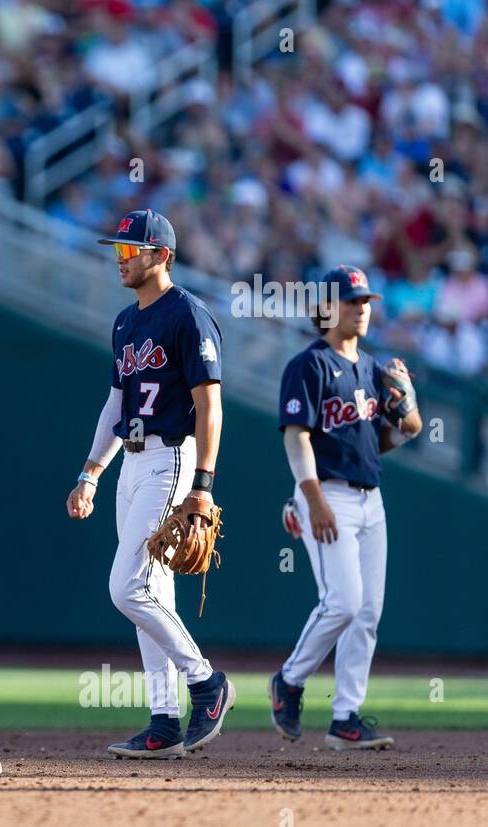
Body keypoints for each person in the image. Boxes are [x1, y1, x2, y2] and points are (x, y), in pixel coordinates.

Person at [67, 209, 235, 759]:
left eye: (128, 250)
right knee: (151, 593)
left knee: (126, 587)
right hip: (131, 463)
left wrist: (203, 485)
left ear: (160, 254)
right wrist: (92, 471)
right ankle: (164, 719)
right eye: (116, 249)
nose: (119, 258)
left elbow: (210, 403)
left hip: (170, 458)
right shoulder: (124, 322)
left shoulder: (187, 314)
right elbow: (116, 403)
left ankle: (206, 683)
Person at [272, 265, 422, 750]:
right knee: (343, 602)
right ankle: (290, 681)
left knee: (368, 611)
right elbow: (297, 439)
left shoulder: (372, 370)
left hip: (369, 497)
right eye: (351, 300)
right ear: (325, 309)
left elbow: (394, 437)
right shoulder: (308, 365)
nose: (361, 308)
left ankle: (346, 717)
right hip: (328, 493)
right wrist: (310, 498)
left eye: (365, 301)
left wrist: (409, 417)